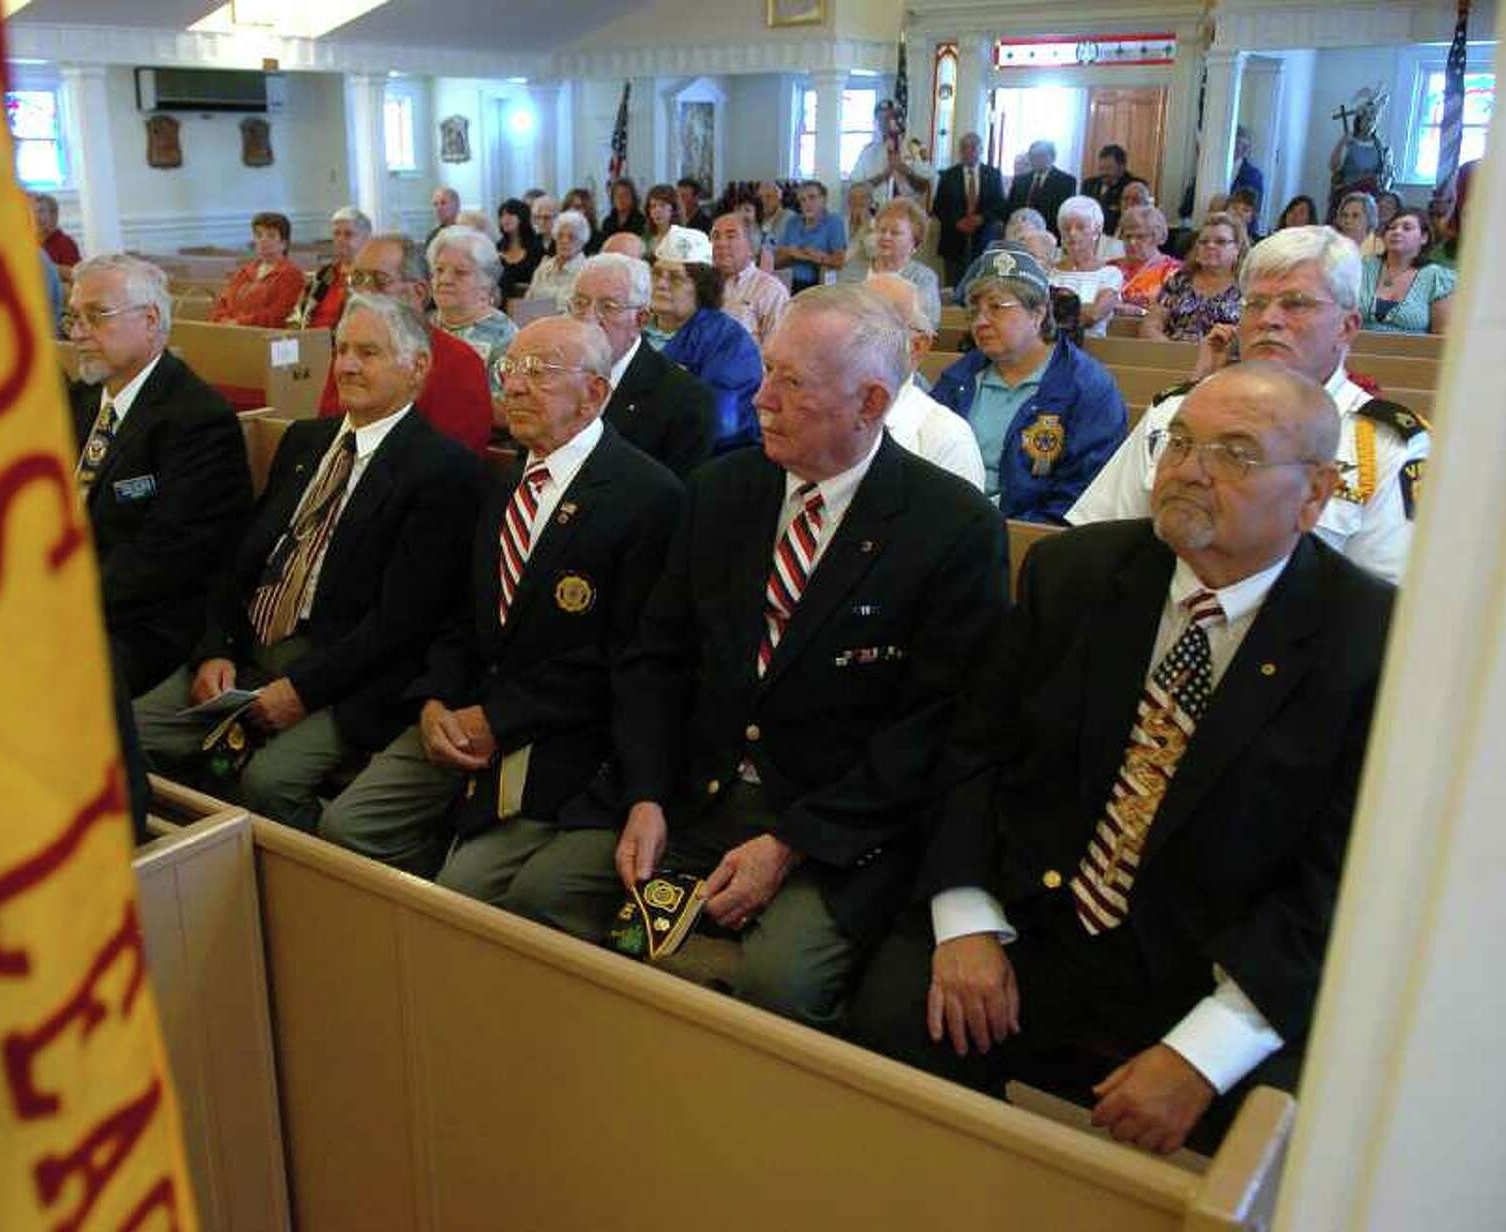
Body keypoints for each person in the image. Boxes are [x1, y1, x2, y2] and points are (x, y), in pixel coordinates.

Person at [852, 362, 1394, 1156]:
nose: (1189, 471)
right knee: (895, 1020)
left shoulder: (1371, 641)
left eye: (1236, 454)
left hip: (1216, 969)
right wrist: (966, 917)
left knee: (1277, 1140)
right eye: (1179, 442)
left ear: (1315, 495)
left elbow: (1339, 878)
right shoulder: (1077, 573)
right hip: (1041, 919)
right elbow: (975, 749)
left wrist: (1203, 1053)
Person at [526, 285, 1009, 1026]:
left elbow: (930, 729)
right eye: (765, 372)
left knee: (779, 984)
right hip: (692, 790)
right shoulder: (721, 491)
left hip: (832, 819)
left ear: (870, 402)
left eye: (791, 383)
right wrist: (647, 793)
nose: (760, 400)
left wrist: (790, 843)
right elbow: (654, 657)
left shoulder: (952, 526)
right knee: (540, 897)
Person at [317, 316, 684, 888]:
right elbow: (461, 613)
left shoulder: (648, 497)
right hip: (462, 709)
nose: (512, 386)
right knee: (345, 827)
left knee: (466, 885)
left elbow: (627, 656)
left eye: (538, 373)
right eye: (510, 369)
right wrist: (436, 696)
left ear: (594, 393)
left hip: (562, 730)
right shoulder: (503, 482)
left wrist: (499, 717)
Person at [133, 293, 482, 829]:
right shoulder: (305, 440)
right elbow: (239, 559)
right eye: (340, 349)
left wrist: (302, 690)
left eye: (367, 353)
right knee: (132, 729)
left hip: (346, 670)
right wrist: (215, 650)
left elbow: (400, 622)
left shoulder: (442, 470)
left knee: (269, 784)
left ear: (417, 368)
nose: (345, 365)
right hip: (249, 649)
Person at [1071, 225, 1429, 585]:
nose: (1268, 319)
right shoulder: (1175, 412)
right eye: (1254, 303)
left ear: (1346, 327)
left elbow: (1384, 605)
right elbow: (1096, 542)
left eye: (1296, 303)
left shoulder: (1385, 446)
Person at [64, 255, 252, 696]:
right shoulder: (83, 398)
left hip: (148, 621)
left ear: (150, 320)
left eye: (96, 316)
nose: (76, 333)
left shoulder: (197, 418)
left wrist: (61, 601)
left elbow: (166, 557)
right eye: (73, 317)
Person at [930, 248, 1128, 522]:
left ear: (1037, 314)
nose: (980, 321)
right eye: (974, 310)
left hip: (1033, 537)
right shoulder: (959, 378)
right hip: (949, 523)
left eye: (996, 307)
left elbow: (1083, 495)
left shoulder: (1088, 388)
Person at [320, 233, 494, 456]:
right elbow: (328, 427)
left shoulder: (459, 362)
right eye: (356, 280)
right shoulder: (348, 351)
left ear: (418, 293)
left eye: (379, 280)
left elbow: (452, 464)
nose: (363, 292)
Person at [569, 254, 718, 475]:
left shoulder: (686, 401)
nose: (589, 318)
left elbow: (672, 497)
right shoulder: (554, 373)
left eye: (608, 306)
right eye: (580, 304)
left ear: (641, 319)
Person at [863, 273, 985, 491]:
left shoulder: (947, 440)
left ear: (917, 347)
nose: (848, 339)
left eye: (872, 328)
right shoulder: (812, 413)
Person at [647, 227, 763, 452]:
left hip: (704, 461)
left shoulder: (729, 342)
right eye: (657, 274)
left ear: (701, 287)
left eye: (675, 278)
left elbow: (723, 424)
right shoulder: (635, 329)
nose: (661, 284)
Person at [429, 225, 519, 397]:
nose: (445, 279)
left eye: (460, 273)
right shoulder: (421, 328)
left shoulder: (504, 336)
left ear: (486, 283)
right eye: (439, 270)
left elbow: (507, 407)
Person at [1141, 212, 1247, 342]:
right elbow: (1150, 325)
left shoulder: (1247, 286)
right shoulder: (1179, 280)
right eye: (1204, 242)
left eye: (1220, 242)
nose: (1210, 246)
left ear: (1237, 248)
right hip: (1172, 355)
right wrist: (1170, 352)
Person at [1359, 208, 1456, 335]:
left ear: (1424, 238)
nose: (1397, 232)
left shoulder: (1437, 277)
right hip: (1356, 349)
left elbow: (1441, 337)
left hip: (1412, 353)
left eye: (1407, 228)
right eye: (1392, 228)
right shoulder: (1363, 267)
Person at [934, 132, 1008, 288]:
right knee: (954, 287)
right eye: (964, 148)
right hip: (954, 241)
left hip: (983, 239)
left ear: (980, 150)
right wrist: (956, 222)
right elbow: (939, 206)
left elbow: (1000, 206)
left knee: (980, 285)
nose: (968, 151)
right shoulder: (948, 175)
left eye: (973, 148)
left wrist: (981, 218)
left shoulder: (993, 174)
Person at [209, 211, 306, 328]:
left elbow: (278, 314)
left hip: (265, 337)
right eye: (259, 235)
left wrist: (239, 323)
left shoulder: (291, 275)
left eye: (271, 235)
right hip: (231, 333)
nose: (263, 240)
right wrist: (221, 320)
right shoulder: (244, 272)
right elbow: (223, 303)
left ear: (284, 243)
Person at [861, 198, 945, 331]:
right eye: (882, 230)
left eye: (895, 233)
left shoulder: (923, 277)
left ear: (914, 241)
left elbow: (928, 325)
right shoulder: (857, 272)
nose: (886, 237)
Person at [712, 212, 791, 347]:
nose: (720, 243)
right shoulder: (701, 284)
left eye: (730, 236)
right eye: (715, 237)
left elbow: (779, 351)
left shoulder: (769, 290)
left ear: (751, 248)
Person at [1050, 196, 1124, 338]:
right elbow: (1034, 316)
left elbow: (1093, 315)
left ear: (1096, 231)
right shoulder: (1049, 273)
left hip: (1094, 350)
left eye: (1080, 227)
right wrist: (1082, 307)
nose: (1072, 233)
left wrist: (1054, 310)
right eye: (1066, 228)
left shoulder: (1110, 274)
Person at [293, 205, 370, 330]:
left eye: (348, 234)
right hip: (309, 340)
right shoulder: (325, 273)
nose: (340, 240)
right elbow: (300, 312)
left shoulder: (369, 277)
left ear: (366, 240)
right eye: (336, 234)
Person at [851, 99, 929, 208]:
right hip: (877, 210)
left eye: (889, 118)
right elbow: (856, 187)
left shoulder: (915, 146)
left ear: (899, 120)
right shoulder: (868, 152)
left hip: (907, 211)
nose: (885, 123)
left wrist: (906, 171)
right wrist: (882, 176)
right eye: (880, 119)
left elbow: (924, 186)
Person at [776, 180, 847, 295]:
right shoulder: (793, 222)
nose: (807, 203)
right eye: (802, 200)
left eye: (812, 197)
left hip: (820, 285)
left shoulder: (834, 221)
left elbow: (839, 261)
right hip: (789, 283)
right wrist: (790, 253)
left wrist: (813, 257)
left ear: (824, 199)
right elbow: (776, 261)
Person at [1112, 204, 1184, 317]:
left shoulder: (1175, 271)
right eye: (1128, 236)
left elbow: (1177, 314)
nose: (1132, 242)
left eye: (1140, 237)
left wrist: (1140, 312)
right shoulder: (1110, 267)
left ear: (1158, 237)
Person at [1005, 141, 1077, 232]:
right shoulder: (1020, 180)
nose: (1036, 160)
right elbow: (1010, 207)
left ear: (1052, 157)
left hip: (1049, 231)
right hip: (1020, 228)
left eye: (1041, 156)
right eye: (1032, 156)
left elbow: (1064, 213)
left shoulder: (1066, 181)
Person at [526, 211, 592, 308]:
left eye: (571, 237)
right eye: (560, 236)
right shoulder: (544, 268)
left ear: (582, 242)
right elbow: (528, 302)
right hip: (538, 320)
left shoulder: (587, 271)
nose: (564, 241)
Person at [1080, 144, 1146, 235]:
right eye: (1101, 168)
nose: (1103, 173)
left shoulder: (1134, 186)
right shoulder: (1089, 185)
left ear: (1122, 167)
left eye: (1108, 169)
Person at [494, 197, 543, 304]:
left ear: (522, 217)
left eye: (510, 215)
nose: (505, 219)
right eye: (502, 215)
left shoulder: (536, 247)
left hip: (528, 302)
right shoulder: (497, 247)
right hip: (500, 302)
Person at [30, 192, 80, 279]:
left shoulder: (66, 243)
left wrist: (46, 267)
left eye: (41, 211)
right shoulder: (29, 243)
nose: (36, 217)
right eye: (34, 212)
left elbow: (76, 276)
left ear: (54, 216)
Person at [838, 183, 877, 283]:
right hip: (837, 282)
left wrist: (866, 227)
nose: (857, 201)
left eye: (863, 197)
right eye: (853, 197)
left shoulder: (878, 226)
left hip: (862, 284)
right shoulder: (840, 223)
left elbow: (873, 254)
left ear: (871, 201)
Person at [755, 180, 796, 269]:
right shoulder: (758, 219)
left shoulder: (790, 218)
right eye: (760, 198)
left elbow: (791, 254)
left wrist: (760, 265)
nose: (764, 201)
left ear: (779, 197)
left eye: (768, 197)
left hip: (780, 273)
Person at [1230, 127, 1265, 230]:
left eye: (1241, 144)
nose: (1239, 147)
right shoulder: (1212, 167)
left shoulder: (1254, 175)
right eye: (1236, 143)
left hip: (1243, 230)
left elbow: (1254, 209)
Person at [1333, 191, 1384, 260]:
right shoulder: (1331, 250)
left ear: (1370, 218)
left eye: (1355, 216)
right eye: (1344, 215)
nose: (1348, 221)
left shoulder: (1379, 254)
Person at [599, 177, 648, 247]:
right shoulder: (607, 222)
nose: (620, 198)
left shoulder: (641, 220)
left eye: (625, 195)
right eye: (617, 195)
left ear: (633, 197)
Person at [643, 183, 679, 252]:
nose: (657, 210)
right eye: (653, 206)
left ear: (673, 209)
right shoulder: (646, 238)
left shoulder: (682, 237)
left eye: (662, 205)